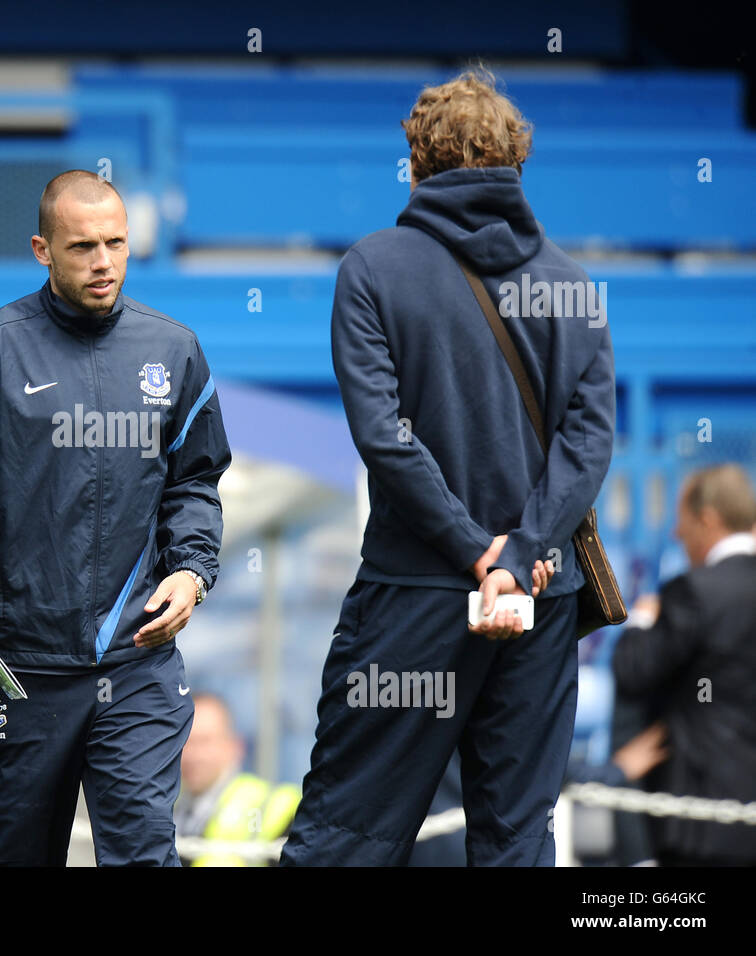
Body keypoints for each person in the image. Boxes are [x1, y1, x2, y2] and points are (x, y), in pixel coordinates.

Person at [281, 69, 615, 866]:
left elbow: (385, 438)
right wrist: (526, 549)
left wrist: (478, 553)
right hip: (540, 600)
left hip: (417, 597)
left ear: (416, 163)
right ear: (516, 163)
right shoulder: (571, 285)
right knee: (517, 839)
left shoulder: (373, 268)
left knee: (348, 835)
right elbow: (590, 438)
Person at [0, 170, 232, 867]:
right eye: (82, 247)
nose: (103, 262)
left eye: (116, 243)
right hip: (22, 671)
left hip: (137, 662)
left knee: (142, 856)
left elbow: (195, 481)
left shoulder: (175, 351)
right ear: (43, 250)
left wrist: (193, 571)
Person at [612, 463, 756, 866]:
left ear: (708, 519)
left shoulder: (694, 592)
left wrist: (641, 620)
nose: (677, 533)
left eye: (684, 521)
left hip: (703, 820)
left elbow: (634, 672)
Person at [174, 692, 300, 866]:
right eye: (185, 743)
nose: (193, 755)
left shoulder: (277, 806)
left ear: (234, 746)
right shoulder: (167, 808)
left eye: (204, 741)